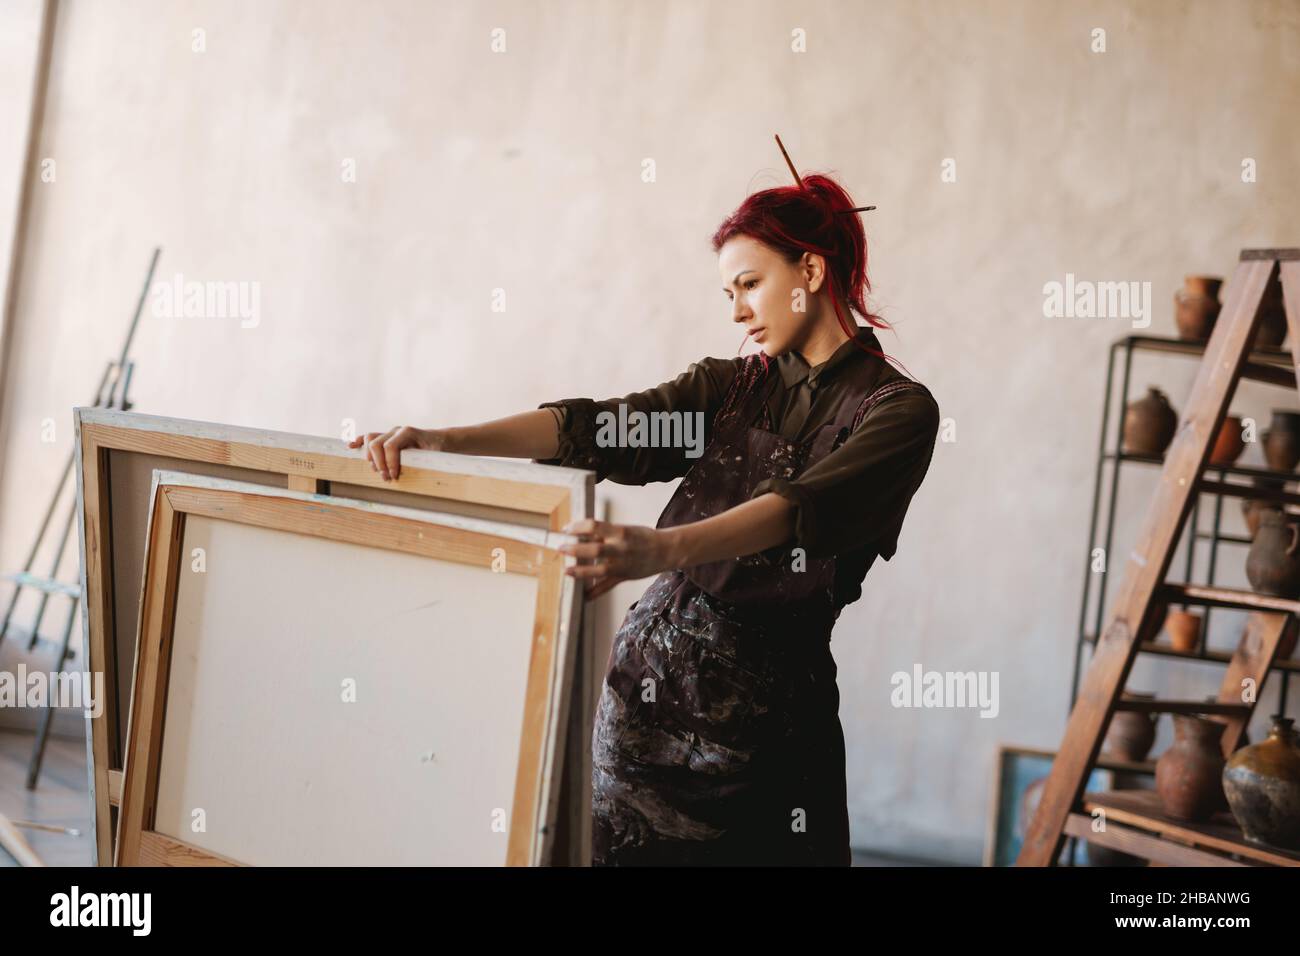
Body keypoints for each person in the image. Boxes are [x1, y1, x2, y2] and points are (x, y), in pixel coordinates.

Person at [351, 172, 940, 866]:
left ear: (810, 269)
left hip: (773, 717)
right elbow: (601, 427)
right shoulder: (731, 388)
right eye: (729, 294)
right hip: (649, 695)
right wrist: (448, 439)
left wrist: (660, 548)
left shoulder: (897, 410)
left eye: (749, 284)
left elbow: (800, 510)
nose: (737, 312)